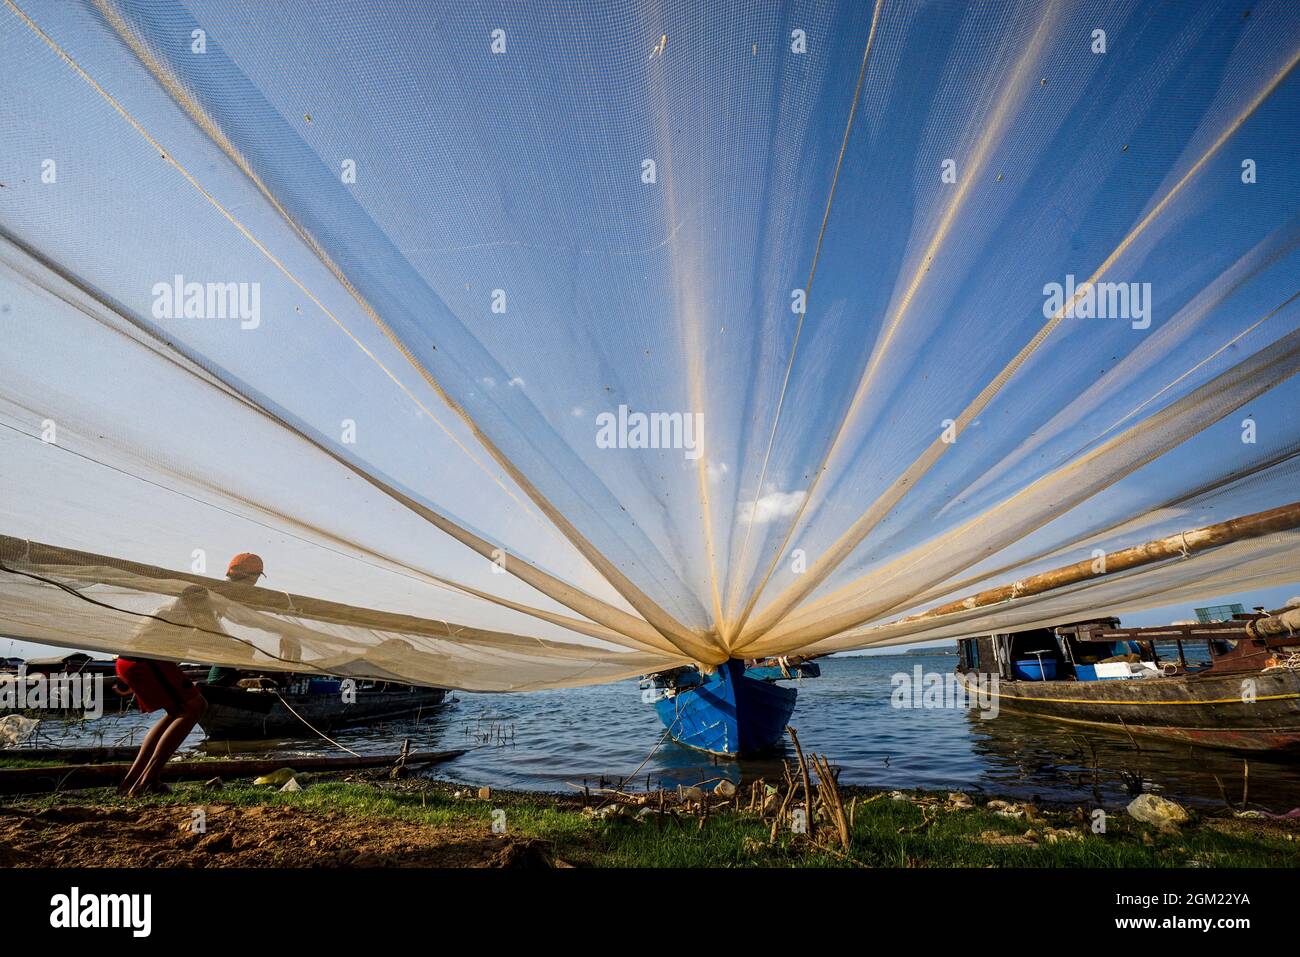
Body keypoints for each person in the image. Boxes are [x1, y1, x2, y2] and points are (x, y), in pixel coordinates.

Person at [206, 553, 266, 687]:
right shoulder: (222, 593)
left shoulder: (222, 592)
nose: (254, 583)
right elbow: (206, 629)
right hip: (167, 644)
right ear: (251, 576)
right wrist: (235, 647)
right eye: (255, 578)